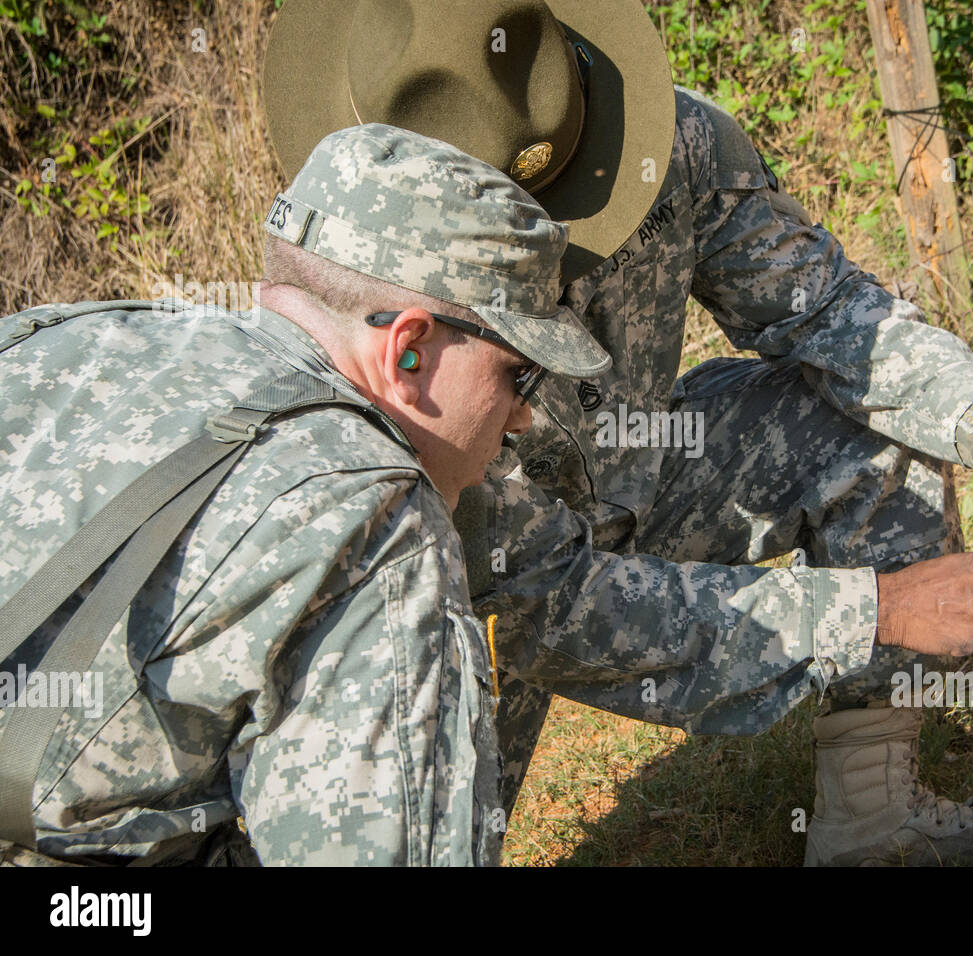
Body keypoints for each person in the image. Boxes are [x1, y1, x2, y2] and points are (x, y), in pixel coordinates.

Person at [263, 0, 973, 865]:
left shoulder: (669, 150)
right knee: (417, 830)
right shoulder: (346, 284)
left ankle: (871, 819)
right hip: (469, 576)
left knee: (862, 422)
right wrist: (883, 612)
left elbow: (829, 311)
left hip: (640, 483)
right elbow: (554, 600)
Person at [0, 123, 610, 866]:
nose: (524, 416)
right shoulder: (373, 518)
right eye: (521, 376)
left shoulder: (58, 338)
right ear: (407, 348)